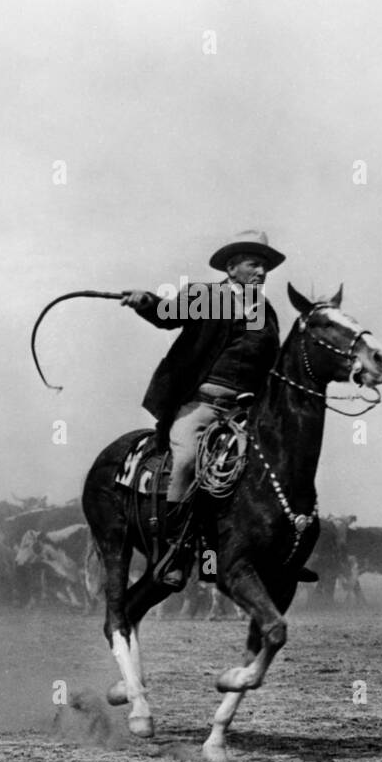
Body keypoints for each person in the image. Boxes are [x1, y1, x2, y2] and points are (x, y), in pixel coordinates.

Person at [120, 230, 284, 586]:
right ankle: (172, 555)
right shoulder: (208, 296)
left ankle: (276, 554)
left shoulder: (264, 311)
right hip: (202, 406)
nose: (262, 272)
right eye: (254, 264)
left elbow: (271, 364)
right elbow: (166, 314)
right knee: (187, 464)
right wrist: (145, 301)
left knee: (276, 470)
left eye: (265, 266)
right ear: (231, 267)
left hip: (246, 415)